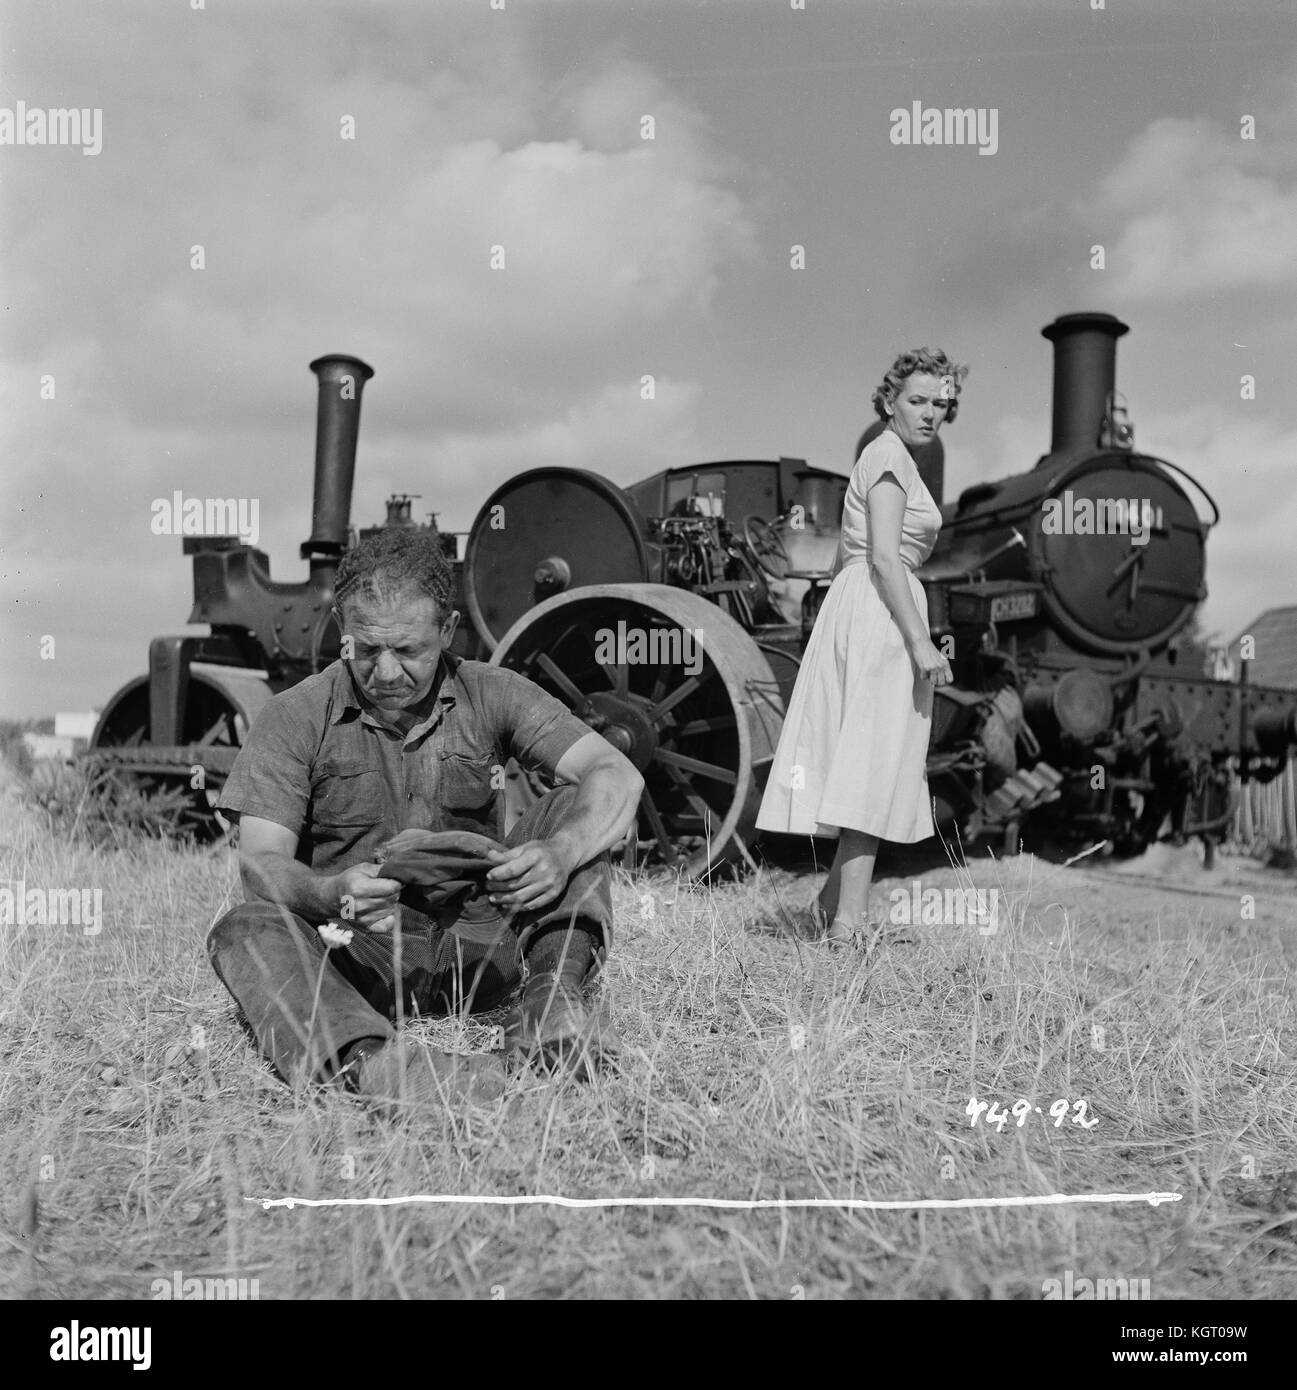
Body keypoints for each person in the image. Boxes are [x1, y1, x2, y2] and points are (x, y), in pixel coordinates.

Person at [206, 528, 643, 1108]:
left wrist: (559, 855)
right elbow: (260, 866)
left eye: (408, 651)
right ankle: (376, 1065)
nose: (386, 672)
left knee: (571, 810)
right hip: (356, 958)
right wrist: (331, 889)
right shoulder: (293, 716)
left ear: (447, 628)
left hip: (484, 949)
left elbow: (618, 773)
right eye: (366, 649)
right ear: (342, 627)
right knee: (245, 927)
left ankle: (551, 1007)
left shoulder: (493, 692)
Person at [757, 348, 966, 943]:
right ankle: (849, 926)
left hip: (875, 602)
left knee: (871, 761)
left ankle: (831, 907)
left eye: (940, 404)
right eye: (917, 401)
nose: (930, 413)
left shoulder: (893, 457)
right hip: (881, 606)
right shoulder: (890, 456)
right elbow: (882, 555)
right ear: (889, 402)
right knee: (871, 764)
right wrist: (920, 640)